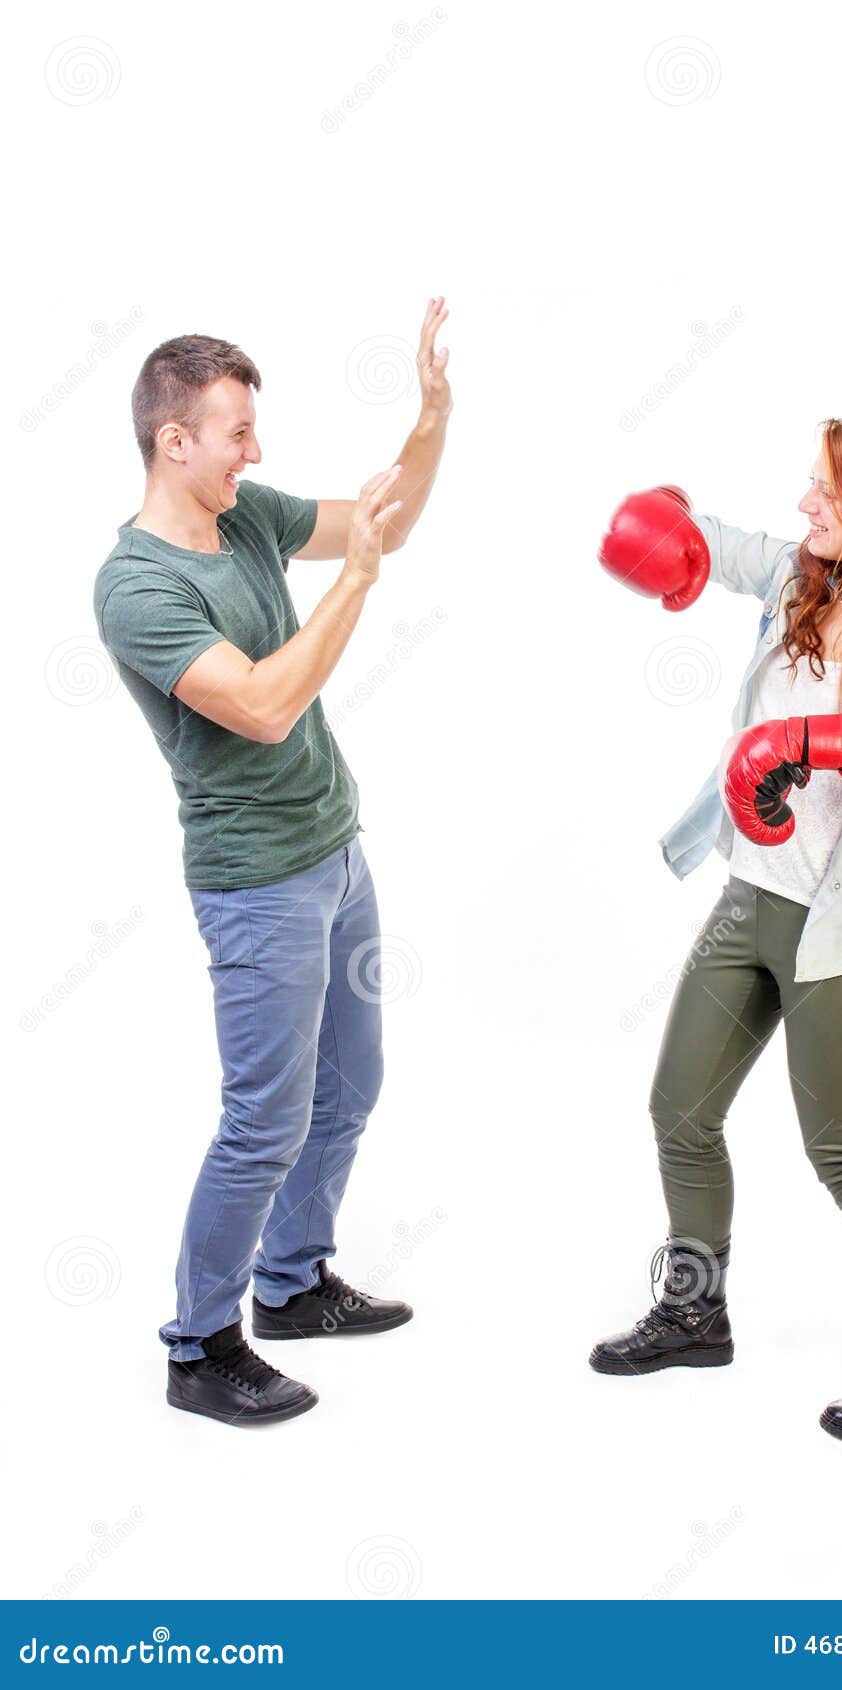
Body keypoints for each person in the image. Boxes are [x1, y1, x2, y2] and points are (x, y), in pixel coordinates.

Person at [590, 416, 842, 1445]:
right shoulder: (794, 581)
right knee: (677, 1109)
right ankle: (693, 1309)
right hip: (746, 902)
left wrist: (819, 739)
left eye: (825, 491)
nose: (803, 504)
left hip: (841, 931)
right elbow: (715, 540)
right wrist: (666, 510)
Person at [93, 303, 452, 1425]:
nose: (256, 452)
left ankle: (291, 1282)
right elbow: (260, 702)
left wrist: (431, 417)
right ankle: (200, 1343)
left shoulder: (242, 520)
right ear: (174, 441)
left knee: (350, 1084)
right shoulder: (135, 586)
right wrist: (356, 586)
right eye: (237, 433)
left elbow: (379, 515)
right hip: (255, 884)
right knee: (263, 1119)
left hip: (334, 852)